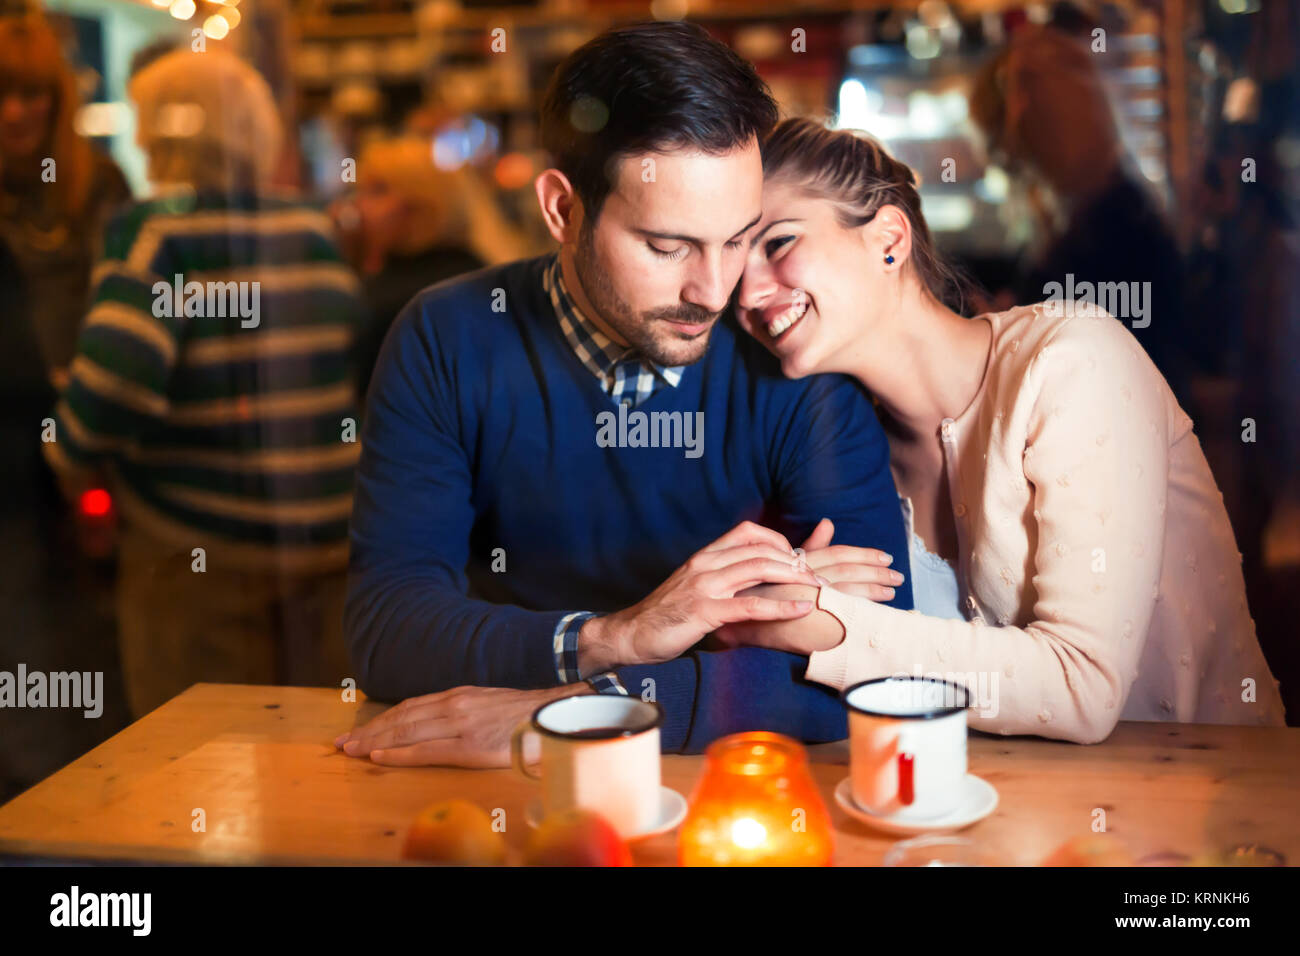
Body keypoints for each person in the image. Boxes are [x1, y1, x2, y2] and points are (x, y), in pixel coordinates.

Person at [336, 22, 910, 767]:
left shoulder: (791, 355)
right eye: (667, 247)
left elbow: (874, 654)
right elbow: (388, 631)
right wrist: (618, 636)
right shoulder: (447, 337)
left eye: (736, 238)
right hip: (494, 782)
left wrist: (584, 707)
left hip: (725, 787)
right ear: (562, 211)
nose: (714, 290)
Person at [722, 117, 1286, 743]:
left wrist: (826, 623)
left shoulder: (1071, 359)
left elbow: (1083, 687)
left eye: (776, 244)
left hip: (1216, 808)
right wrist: (786, 588)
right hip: (1008, 822)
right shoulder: (850, 453)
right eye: (732, 263)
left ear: (889, 238)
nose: (747, 292)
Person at [42, 49, 366, 719]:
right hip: (331, 551)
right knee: (321, 766)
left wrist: (66, 456)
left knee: (191, 778)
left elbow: (117, 387)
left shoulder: (159, 231)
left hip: (201, 558)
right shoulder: (309, 227)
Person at [968, 25, 1192, 414]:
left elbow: (1079, 374)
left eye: (1010, 150)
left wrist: (1001, 333)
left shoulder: (1099, 235)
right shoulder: (1115, 205)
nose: (1011, 168)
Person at [0, 16, 131, 391]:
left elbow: (126, 307)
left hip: (82, 402)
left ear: (58, 99)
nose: (12, 113)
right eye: (0, 94)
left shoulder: (101, 183)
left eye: (30, 94)